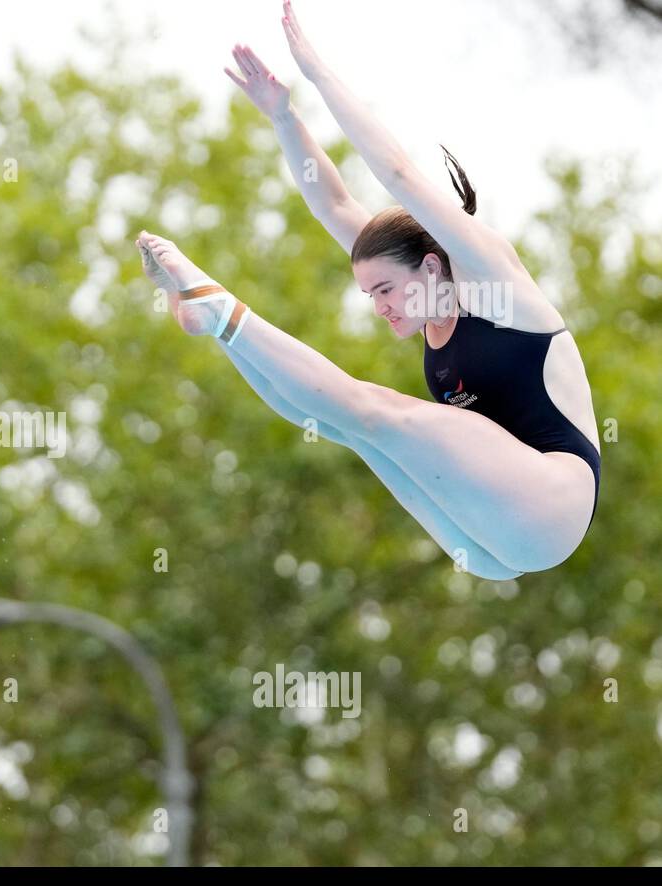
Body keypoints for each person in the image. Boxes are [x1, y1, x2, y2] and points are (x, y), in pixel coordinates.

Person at [137, 1, 600, 579]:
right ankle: (222, 331)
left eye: (384, 289)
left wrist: (317, 75)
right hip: (491, 547)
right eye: (370, 295)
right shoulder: (421, 289)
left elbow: (399, 173)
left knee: (373, 408)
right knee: (341, 425)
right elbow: (333, 203)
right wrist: (283, 116)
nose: (378, 306)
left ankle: (218, 307)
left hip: (553, 502)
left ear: (433, 267)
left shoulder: (492, 283)